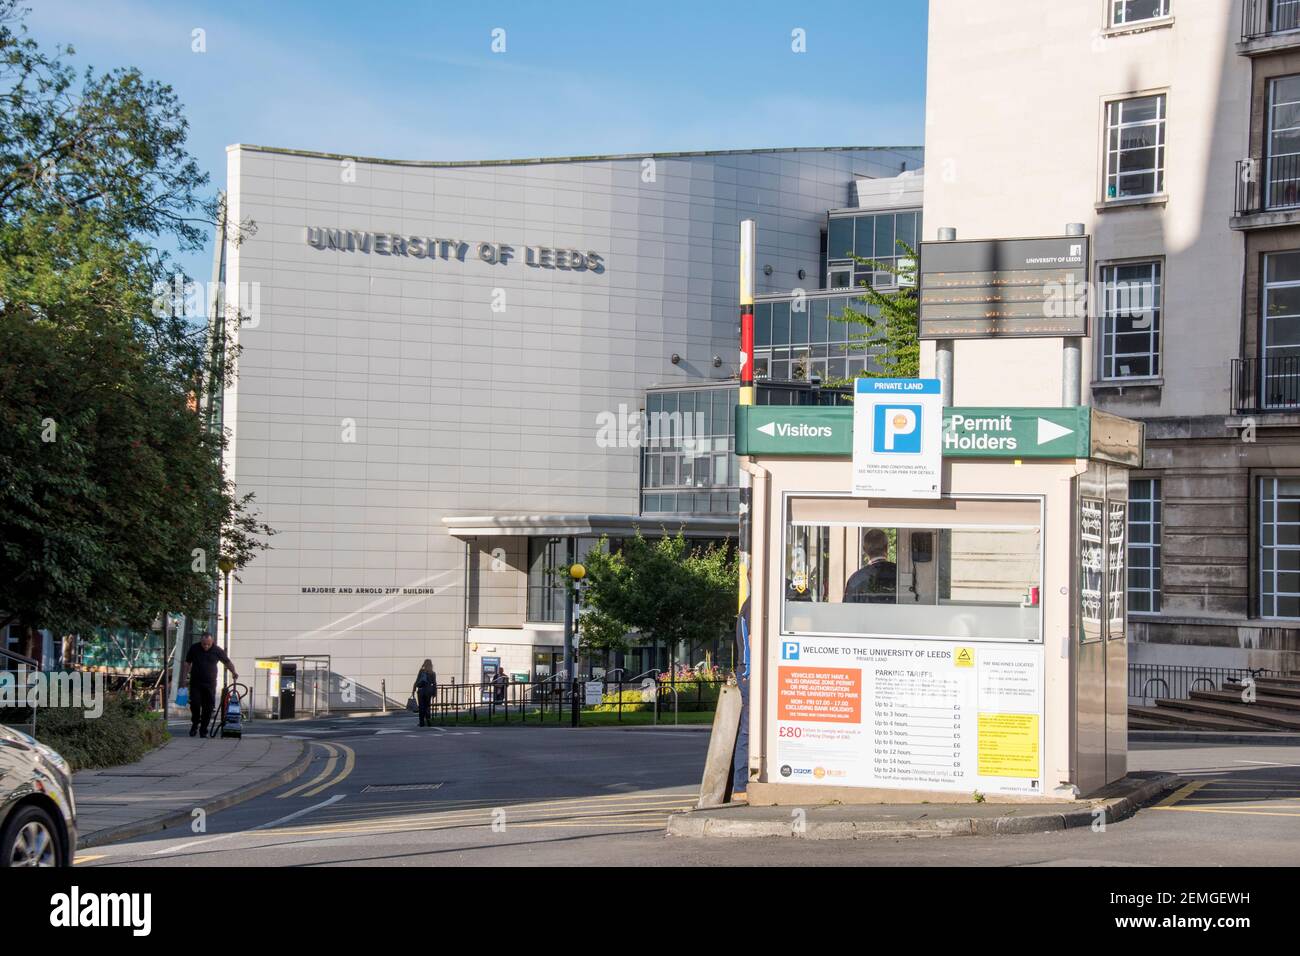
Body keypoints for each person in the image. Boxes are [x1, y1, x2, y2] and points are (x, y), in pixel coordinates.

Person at [180, 632, 238, 737]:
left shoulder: (217, 650)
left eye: (208, 644)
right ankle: (195, 723)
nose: (206, 646)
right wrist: (183, 679)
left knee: (208, 707)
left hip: (210, 684)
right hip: (196, 683)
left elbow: (227, 662)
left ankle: (203, 729)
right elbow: (187, 663)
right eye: (204, 644)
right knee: (195, 704)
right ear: (201, 642)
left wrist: (233, 672)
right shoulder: (194, 648)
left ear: (212, 642)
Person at [729, 596, 751, 803]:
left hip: (747, 671)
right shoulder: (754, 605)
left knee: (749, 726)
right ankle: (741, 785)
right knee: (749, 727)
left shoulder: (749, 603)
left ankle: (742, 784)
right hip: (749, 672)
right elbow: (752, 641)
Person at [844, 528, 898, 604]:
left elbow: (847, 611)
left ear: (864, 550)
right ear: (886, 548)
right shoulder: (899, 575)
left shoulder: (855, 579)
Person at [413, 659, 437, 727]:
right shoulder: (433, 673)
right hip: (428, 691)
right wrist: (434, 693)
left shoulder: (421, 671)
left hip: (421, 691)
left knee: (421, 707)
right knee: (427, 706)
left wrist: (414, 689)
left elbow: (417, 680)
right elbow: (434, 683)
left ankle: (421, 722)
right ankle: (428, 720)